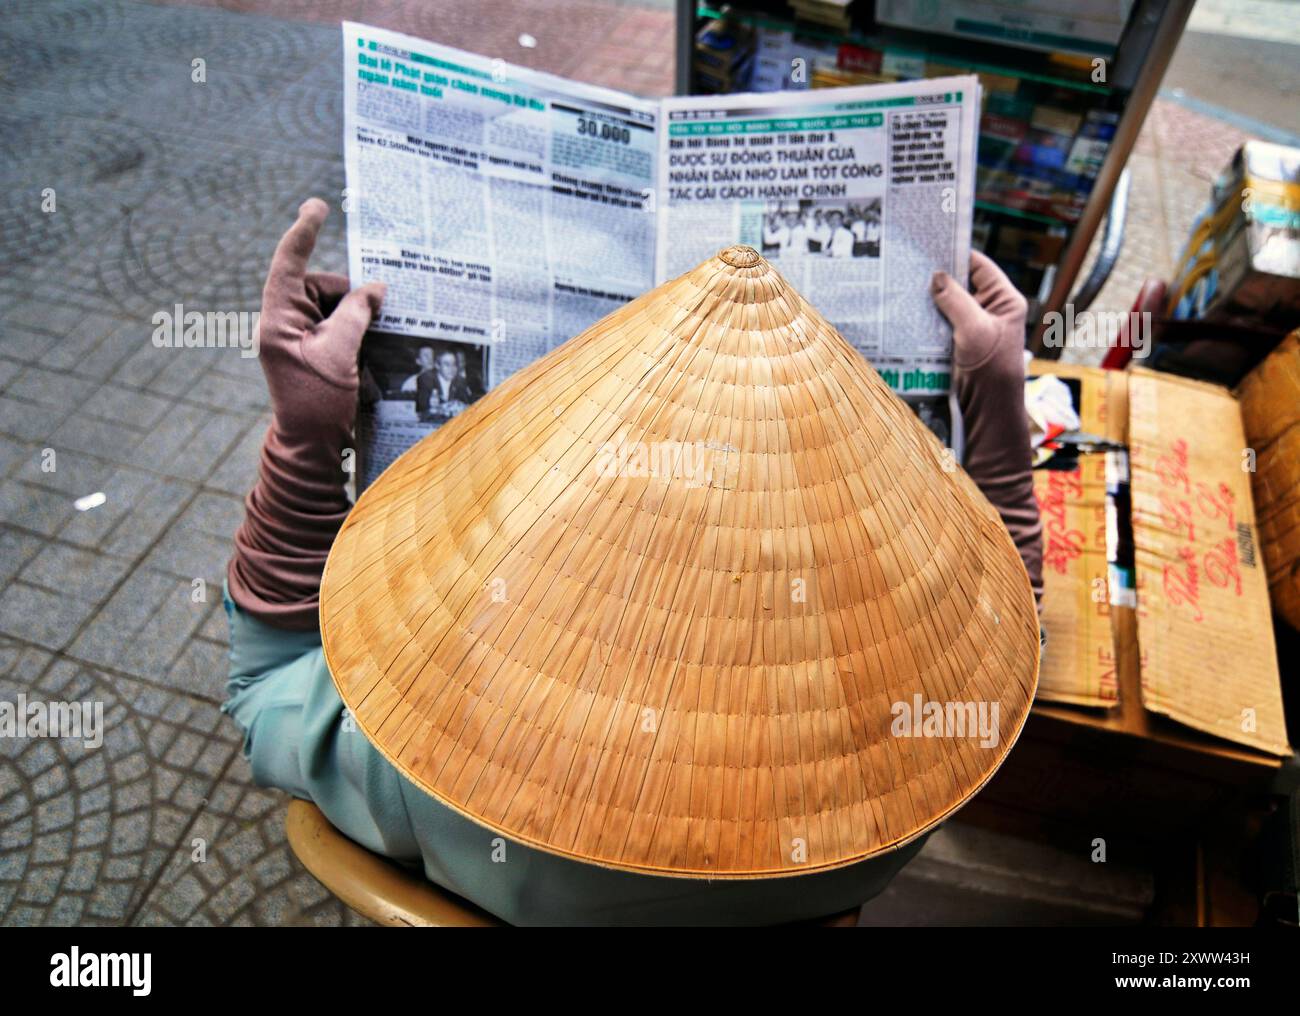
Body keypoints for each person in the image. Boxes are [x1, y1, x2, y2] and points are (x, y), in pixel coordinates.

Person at [224, 199, 1041, 925]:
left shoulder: (416, 744)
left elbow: (262, 696)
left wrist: (305, 431)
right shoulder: (899, 783)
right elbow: (1006, 647)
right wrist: (997, 409)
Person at [416, 348, 476, 417]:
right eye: (447, 365)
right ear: (437, 365)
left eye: (454, 364)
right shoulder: (425, 379)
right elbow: (423, 408)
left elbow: (467, 405)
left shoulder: (460, 381)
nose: (452, 368)